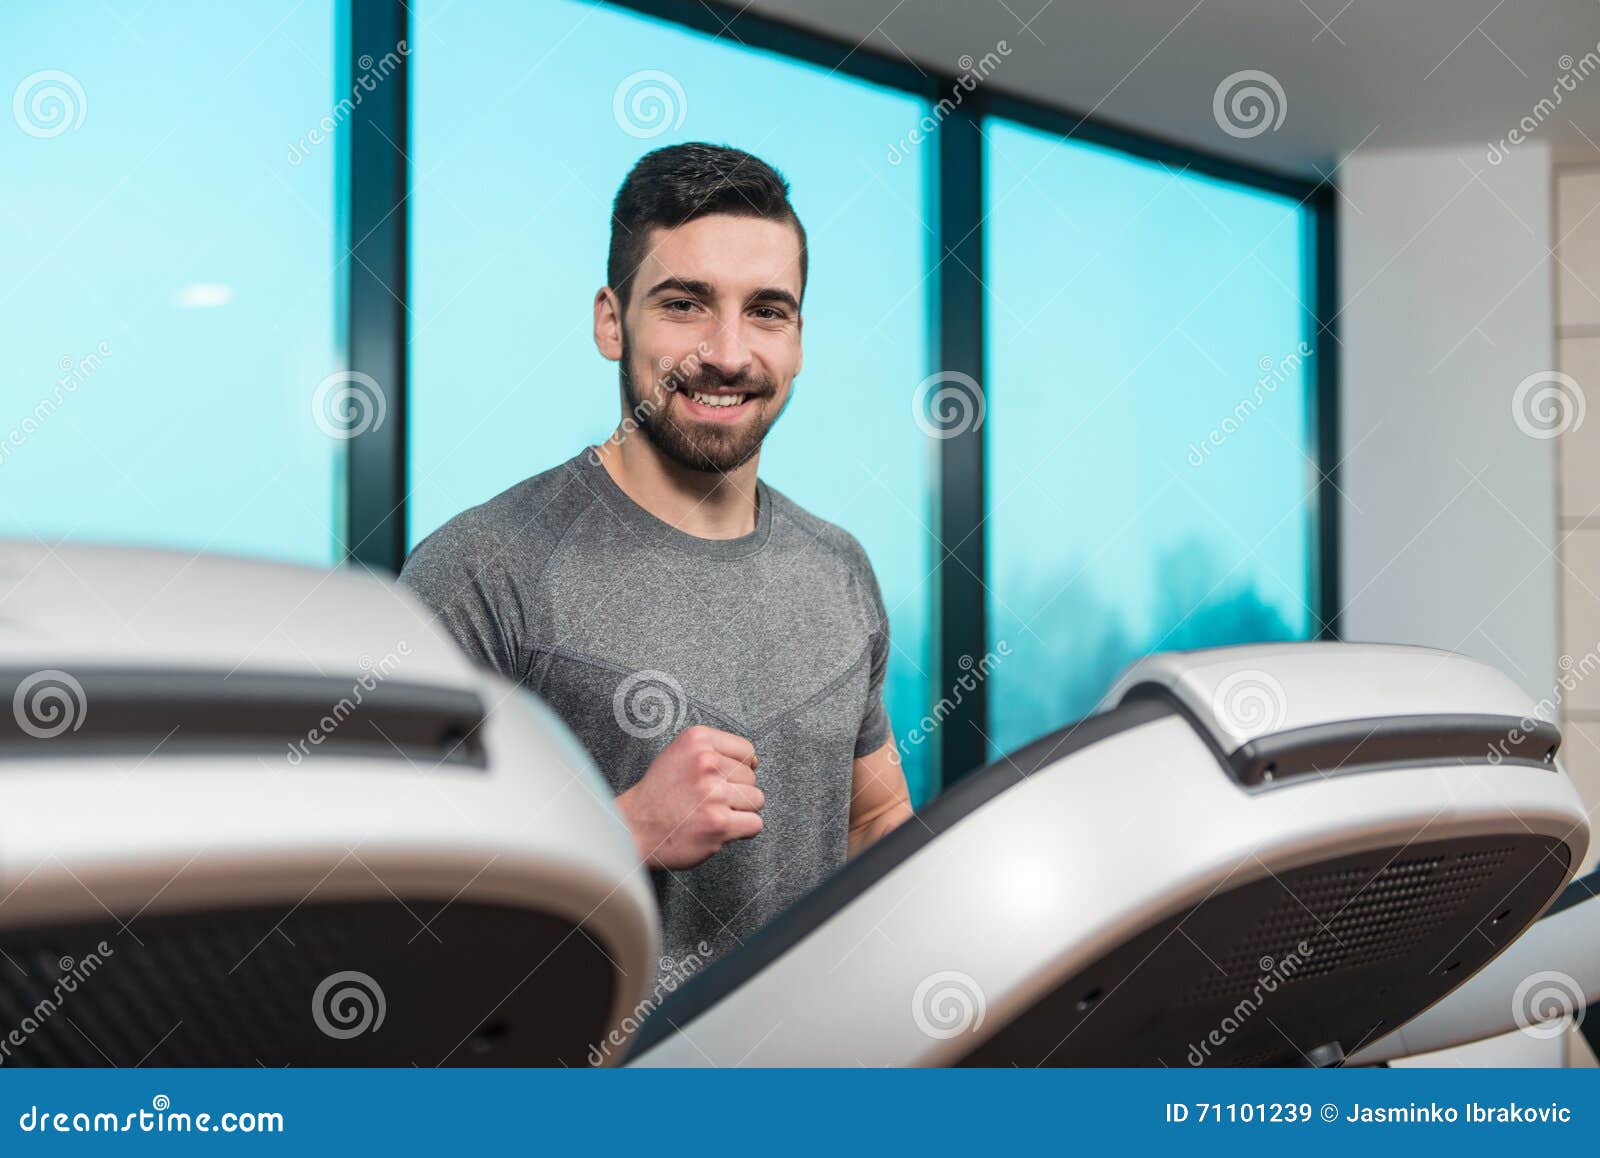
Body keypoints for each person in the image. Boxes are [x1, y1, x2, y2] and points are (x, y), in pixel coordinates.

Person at [399, 142, 913, 979]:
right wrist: (623, 828)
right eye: (685, 304)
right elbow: (388, 887)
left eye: (768, 311)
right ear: (612, 320)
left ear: (799, 340)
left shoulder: (840, 569)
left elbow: (878, 818)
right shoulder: (483, 570)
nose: (729, 352)